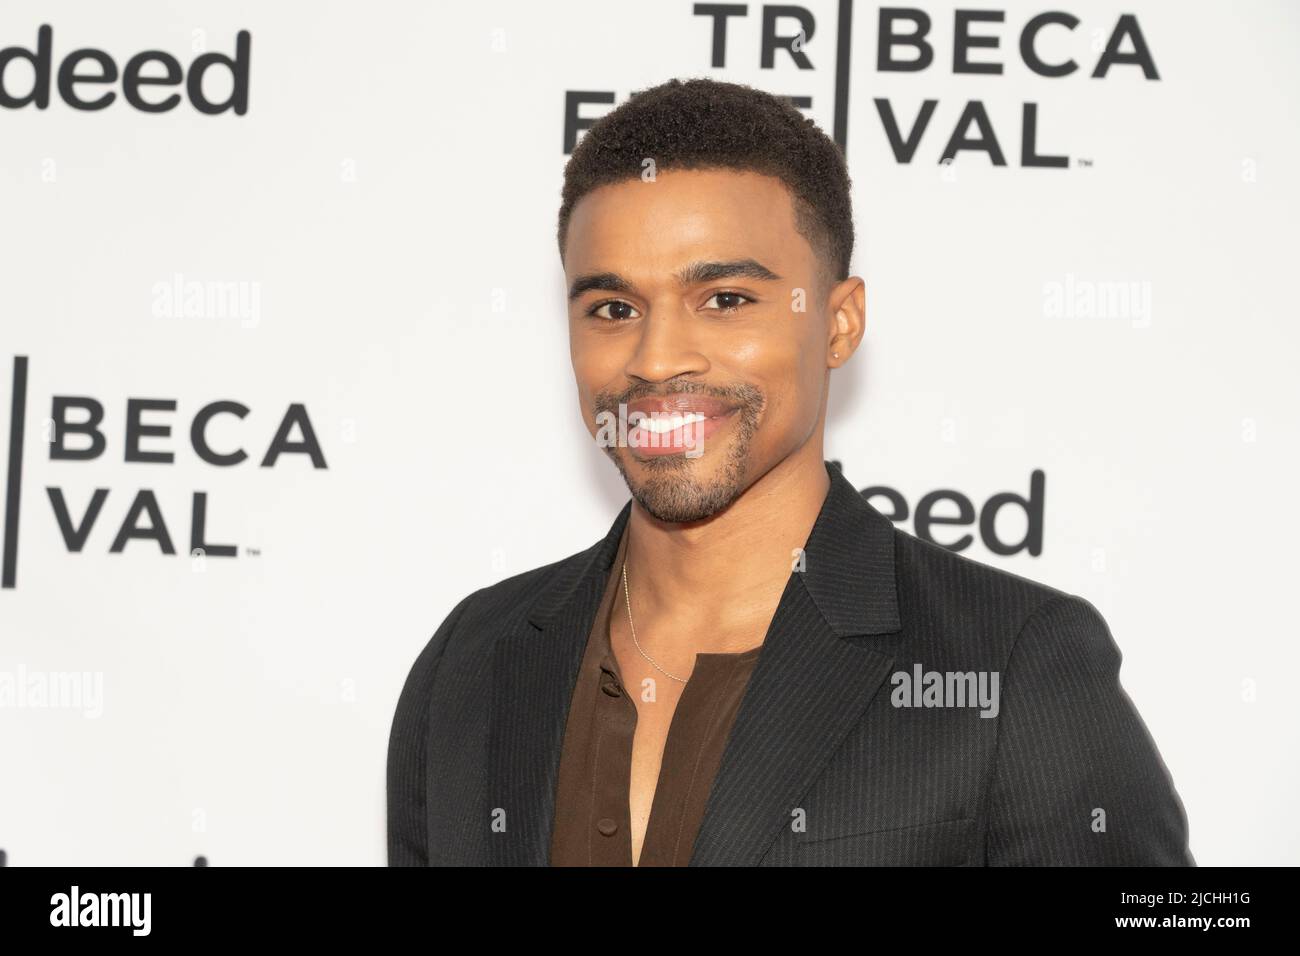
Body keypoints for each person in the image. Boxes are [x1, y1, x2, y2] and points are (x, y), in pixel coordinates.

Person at [387, 77, 1193, 866]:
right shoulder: (474, 659)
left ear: (838, 325)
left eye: (727, 299)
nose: (657, 358)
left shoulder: (1010, 666)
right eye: (613, 309)